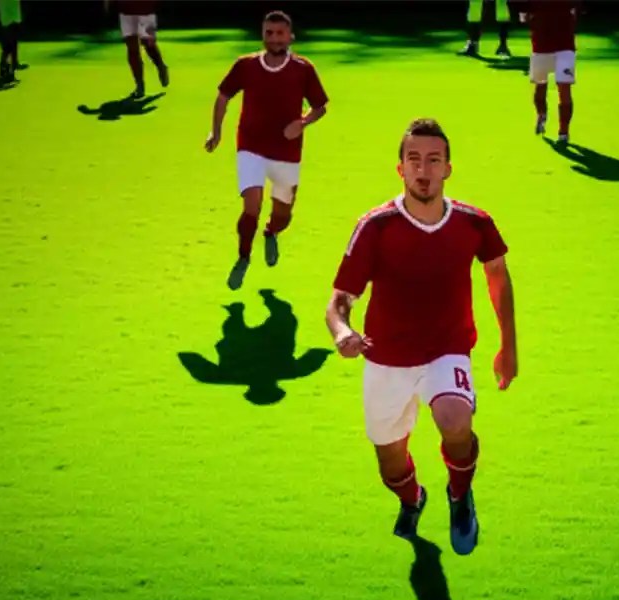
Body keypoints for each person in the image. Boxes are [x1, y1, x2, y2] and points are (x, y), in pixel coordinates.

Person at [325, 118, 519, 556]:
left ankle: (459, 495)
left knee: (455, 420)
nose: (424, 169)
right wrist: (342, 332)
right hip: (385, 359)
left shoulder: (474, 223)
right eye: (414, 160)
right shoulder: (375, 227)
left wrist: (508, 347)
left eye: (434, 160)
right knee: (390, 463)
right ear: (400, 169)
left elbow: (498, 277)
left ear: (449, 168)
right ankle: (412, 499)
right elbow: (339, 300)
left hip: (446, 351)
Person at [205, 11, 329, 291]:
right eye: (269, 33)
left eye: (280, 33)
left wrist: (303, 122)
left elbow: (320, 106)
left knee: (283, 214)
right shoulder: (245, 65)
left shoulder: (303, 69)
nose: (274, 39)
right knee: (252, 204)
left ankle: (271, 232)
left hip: (286, 151)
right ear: (263, 35)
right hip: (250, 146)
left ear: (290, 37)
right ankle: (244, 255)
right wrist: (216, 130)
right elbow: (223, 96)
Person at [515, 1, 582, 143]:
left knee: (564, 88)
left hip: (564, 45)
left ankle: (563, 132)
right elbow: (523, 14)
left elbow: (577, 8)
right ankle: (541, 115)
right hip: (541, 44)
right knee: (540, 87)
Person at [105, 0, 169, 98]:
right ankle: (139, 84)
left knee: (148, 43)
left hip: (145, 9)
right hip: (126, 10)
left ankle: (160, 66)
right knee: (132, 47)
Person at [0, 0, 22, 81]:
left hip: (11, 18)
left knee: (11, 45)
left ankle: (10, 67)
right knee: (9, 46)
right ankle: (6, 68)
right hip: (9, 19)